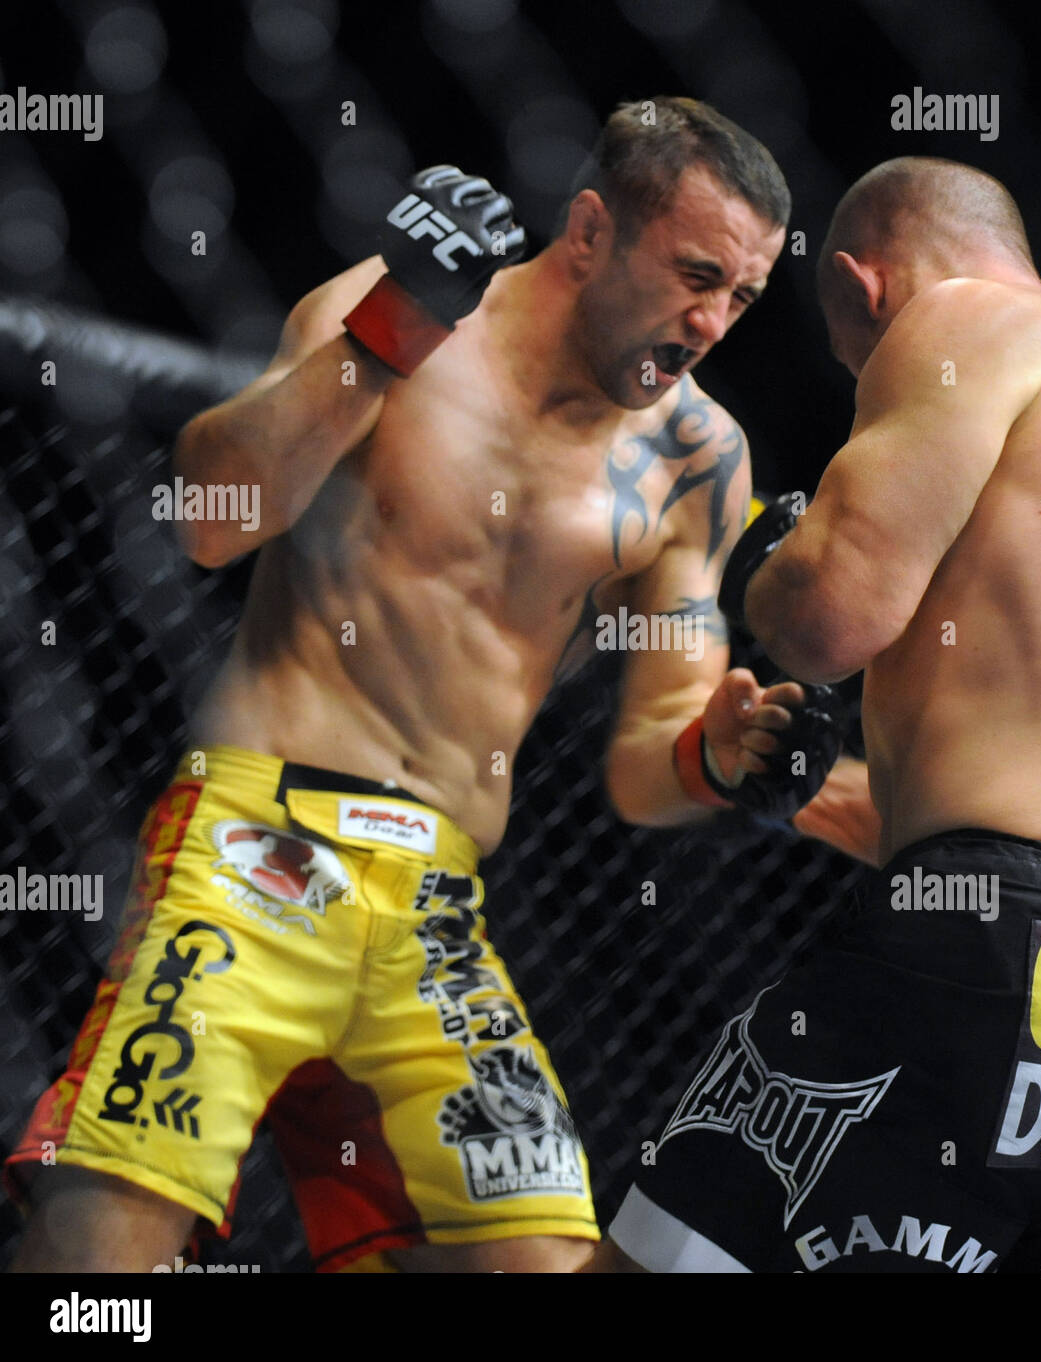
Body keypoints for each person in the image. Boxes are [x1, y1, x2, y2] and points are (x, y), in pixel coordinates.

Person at [4, 97, 858, 1274]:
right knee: (103, 1260)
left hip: (437, 906)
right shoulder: (402, 313)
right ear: (591, 231)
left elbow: (656, 747)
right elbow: (209, 521)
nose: (711, 323)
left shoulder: (698, 456)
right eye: (695, 275)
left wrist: (726, 756)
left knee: (543, 1262)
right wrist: (382, 332)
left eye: (743, 298)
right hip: (259, 841)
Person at [594, 156, 1041, 1273]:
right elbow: (1026, 810)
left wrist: (757, 556)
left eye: (857, 365)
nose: (869, 390)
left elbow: (827, 617)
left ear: (864, 285)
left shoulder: (959, 323)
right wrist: (802, 787)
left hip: (984, 952)